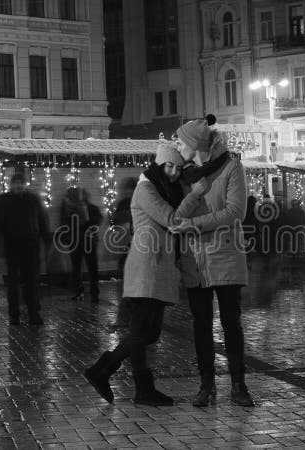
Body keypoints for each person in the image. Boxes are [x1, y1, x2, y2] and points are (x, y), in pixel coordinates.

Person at [84, 144, 206, 406]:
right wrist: (194, 196)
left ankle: (101, 371)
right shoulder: (146, 189)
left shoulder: (169, 189)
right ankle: (142, 389)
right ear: (159, 165)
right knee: (141, 332)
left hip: (161, 269)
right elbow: (173, 220)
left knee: (149, 333)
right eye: (168, 166)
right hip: (146, 266)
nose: (173, 172)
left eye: (177, 167)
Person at [172, 118, 255, 407]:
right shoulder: (184, 175)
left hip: (225, 255)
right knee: (201, 325)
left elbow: (236, 212)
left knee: (232, 323)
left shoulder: (232, 167)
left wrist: (193, 224)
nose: (177, 146)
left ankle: (238, 385)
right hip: (194, 258)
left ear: (195, 144)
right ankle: (206, 385)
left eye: (181, 141)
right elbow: (176, 215)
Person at [0, 172, 50, 325]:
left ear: (25, 184)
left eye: (21, 183)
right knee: (13, 282)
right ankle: (14, 314)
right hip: (12, 246)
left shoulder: (32, 199)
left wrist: (46, 237)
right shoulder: (3, 200)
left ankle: (33, 313)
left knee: (32, 281)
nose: (19, 185)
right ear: (11, 184)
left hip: (31, 246)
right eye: (16, 183)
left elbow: (42, 219)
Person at [61, 187, 103, 302]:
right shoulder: (71, 209)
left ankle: (93, 292)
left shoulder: (91, 208)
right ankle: (81, 291)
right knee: (78, 268)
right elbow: (66, 224)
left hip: (86, 241)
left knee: (91, 268)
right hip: (78, 241)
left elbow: (97, 220)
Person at [112, 177, 138, 277]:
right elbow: (115, 219)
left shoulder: (133, 202)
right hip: (128, 236)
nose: (128, 192)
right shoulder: (125, 203)